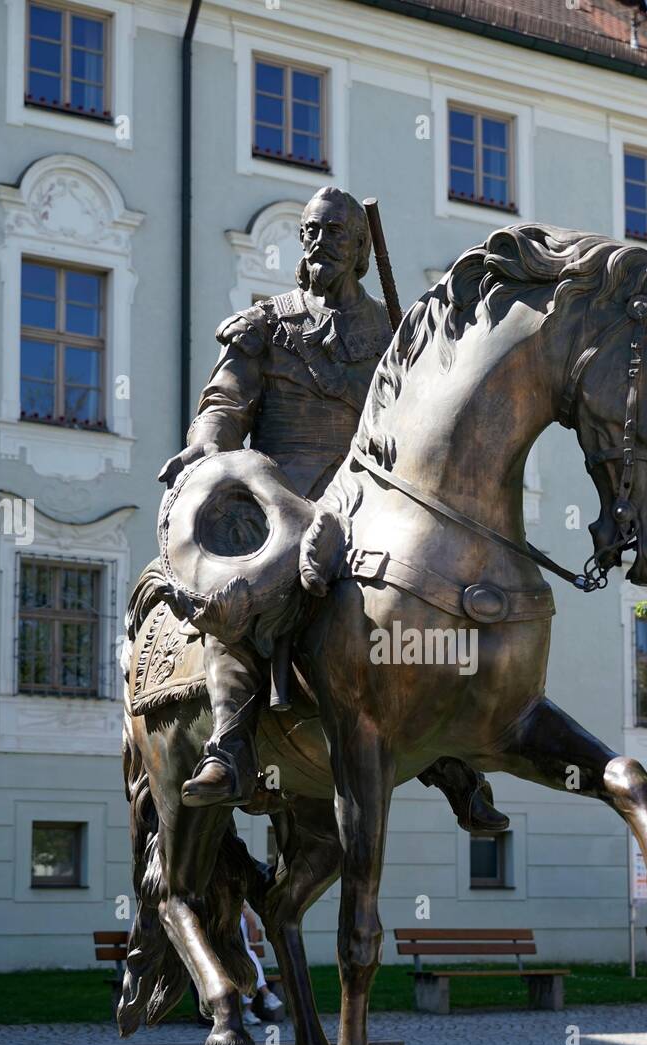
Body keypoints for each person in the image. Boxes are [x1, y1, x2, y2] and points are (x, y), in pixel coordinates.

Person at [160, 185, 508, 836]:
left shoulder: (394, 334)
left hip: (366, 498)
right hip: (279, 496)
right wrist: (203, 449)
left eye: (336, 235)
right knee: (243, 595)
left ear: (359, 253)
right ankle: (231, 745)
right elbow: (224, 407)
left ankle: (454, 756)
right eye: (311, 232)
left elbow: (426, 424)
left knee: (456, 585)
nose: (320, 244)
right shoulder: (265, 325)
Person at [239, 901, 283, 1027]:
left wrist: (252, 923)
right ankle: (266, 994)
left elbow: (253, 940)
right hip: (229, 957)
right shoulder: (223, 914)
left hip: (244, 959)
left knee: (248, 961)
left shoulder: (243, 914)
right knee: (248, 959)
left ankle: (249, 1011)